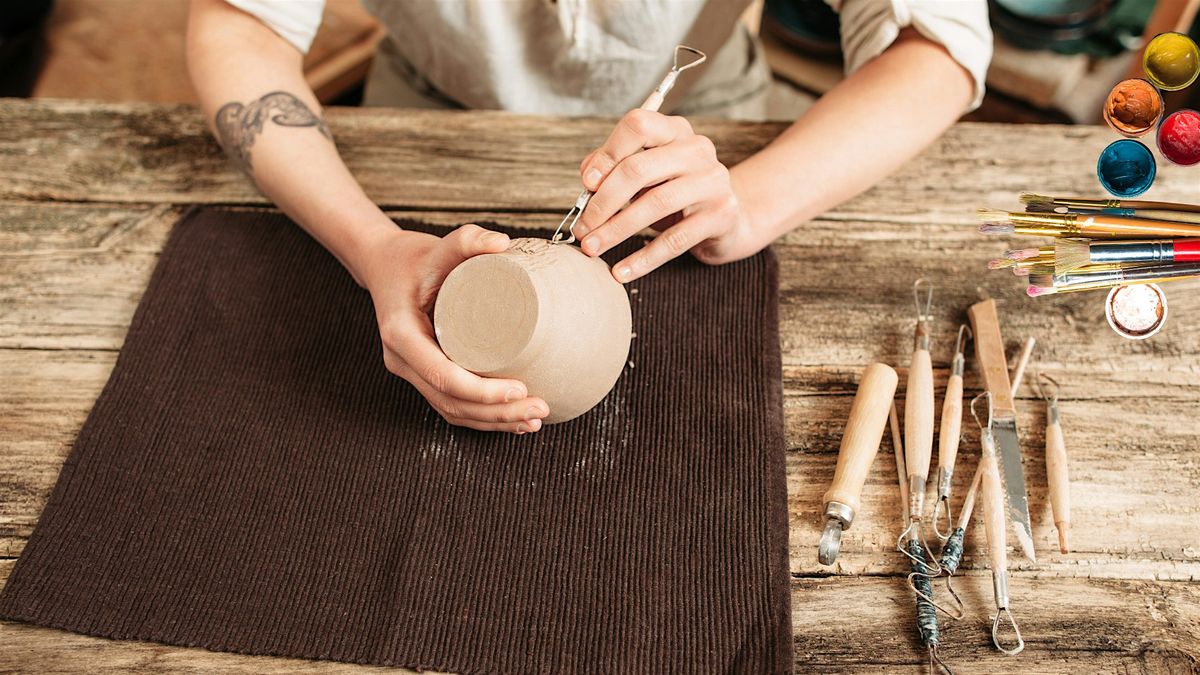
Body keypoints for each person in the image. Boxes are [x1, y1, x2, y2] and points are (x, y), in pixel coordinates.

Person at [186, 0, 991, 434]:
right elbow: (237, 22)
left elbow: (939, 50)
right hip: (427, 116)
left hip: (705, 124)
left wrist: (751, 201)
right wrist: (372, 247)